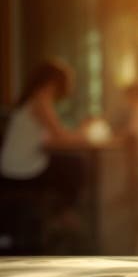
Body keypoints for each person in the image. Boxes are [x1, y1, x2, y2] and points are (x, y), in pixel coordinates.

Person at [1, 59, 85, 205]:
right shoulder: (40, 101)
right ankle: (63, 214)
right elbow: (62, 137)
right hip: (21, 168)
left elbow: (49, 139)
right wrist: (84, 133)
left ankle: (61, 214)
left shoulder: (31, 100)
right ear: (53, 83)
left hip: (10, 165)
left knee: (68, 166)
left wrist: (75, 135)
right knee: (76, 166)